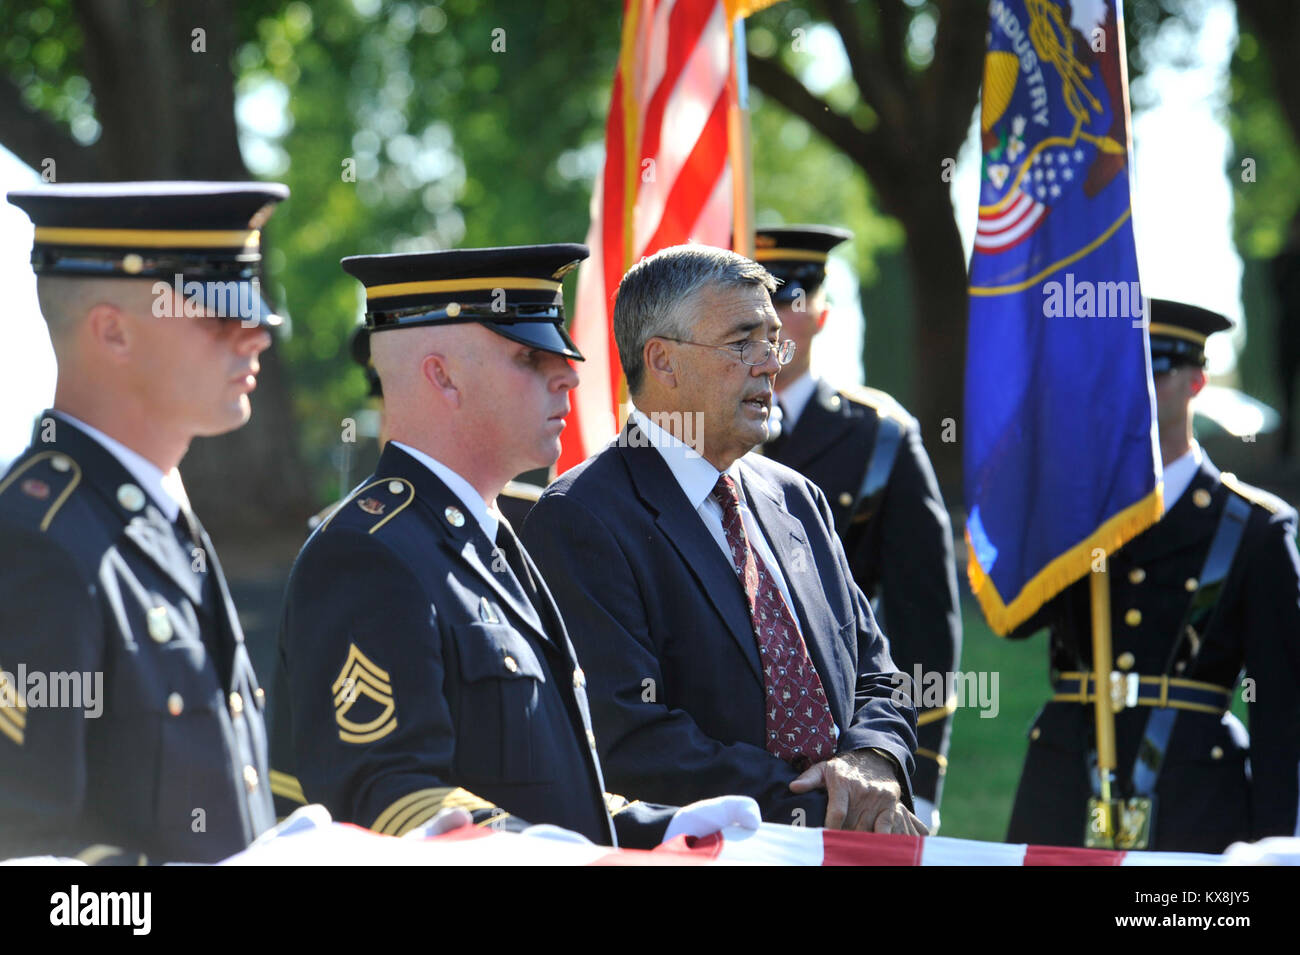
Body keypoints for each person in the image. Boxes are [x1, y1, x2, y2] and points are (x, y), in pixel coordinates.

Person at [272, 244, 757, 846]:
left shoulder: (493, 536)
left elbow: (536, 779)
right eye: (530, 357)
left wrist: (654, 825)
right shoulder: (370, 554)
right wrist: (543, 852)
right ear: (442, 375)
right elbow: (386, 791)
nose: (570, 373)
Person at [523, 244, 926, 834]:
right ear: (662, 361)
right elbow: (630, 738)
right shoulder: (580, 518)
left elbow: (876, 670)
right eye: (744, 343)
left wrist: (874, 759)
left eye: (774, 342)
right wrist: (824, 812)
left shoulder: (796, 498)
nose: (770, 365)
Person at [0, 181, 288, 863]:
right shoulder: (37, 543)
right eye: (220, 314)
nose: (256, 333)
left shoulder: (155, 516)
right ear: (113, 331)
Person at [1006, 299, 1300, 853]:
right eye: (1122, 369)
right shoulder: (1070, 509)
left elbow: (1281, 710)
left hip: (1195, 795)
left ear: (1196, 382)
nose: (1137, 385)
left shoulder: (1255, 528)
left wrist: (1277, 846)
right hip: (1066, 783)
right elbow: (1014, 619)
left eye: (1156, 368)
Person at [756, 226, 961, 832]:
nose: (767, 323)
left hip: (843, 733)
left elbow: (923, 616)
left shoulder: (880, 435)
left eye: (787, 301)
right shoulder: (692, 434)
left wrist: (913, 771)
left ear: (822, 315)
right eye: (750, 306)